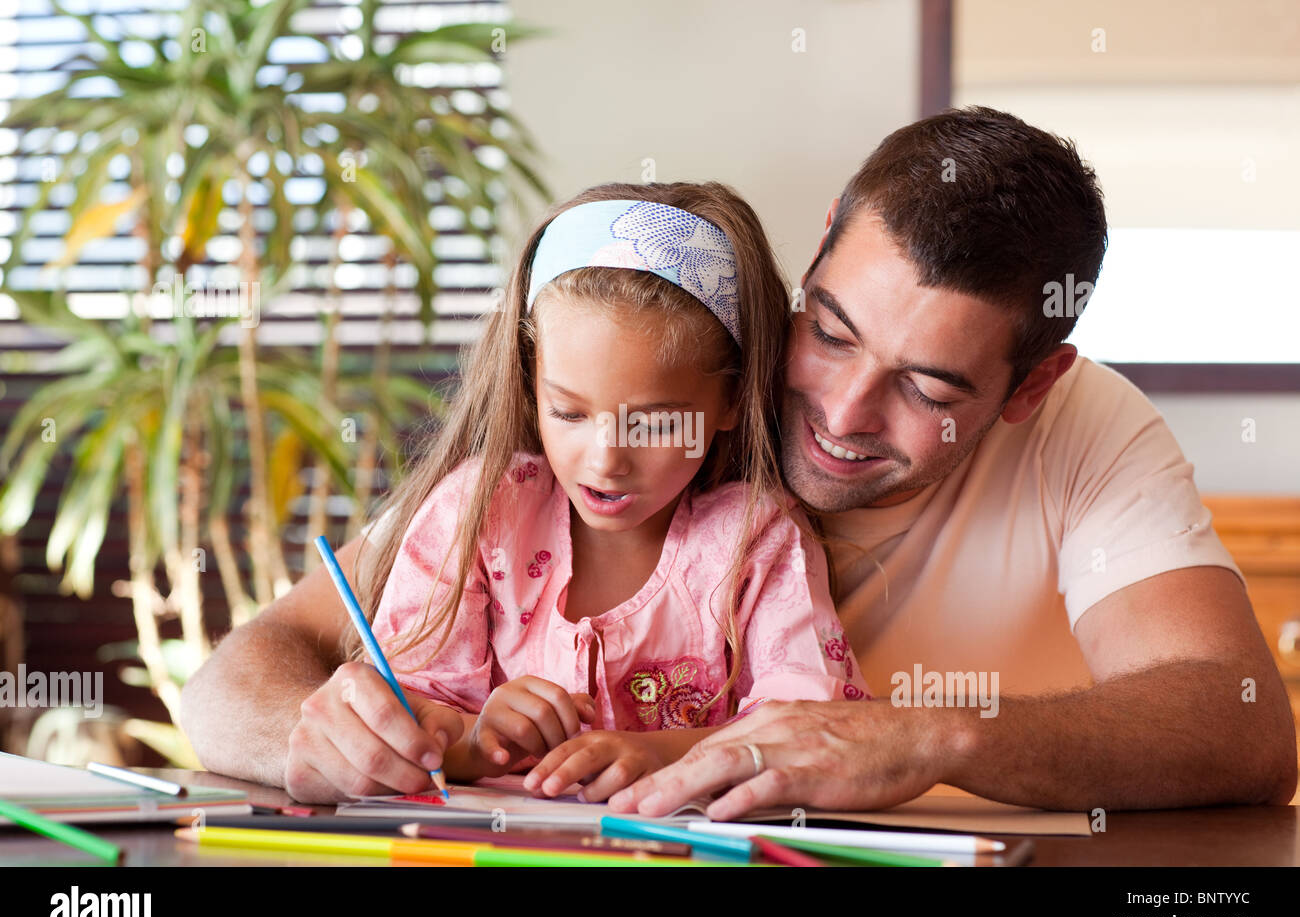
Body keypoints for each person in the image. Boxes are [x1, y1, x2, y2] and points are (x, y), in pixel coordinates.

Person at [181, 107, 1296, 813]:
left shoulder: (1087, 429)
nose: (840, 410)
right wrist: (323, 737)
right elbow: (244, 675)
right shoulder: (664, 363)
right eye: (833, 329)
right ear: (814, 254)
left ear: (1028, 385)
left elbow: (1240, 722)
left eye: (929, 386)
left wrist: (931, 735)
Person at [185, 181, 868, 804]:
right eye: (569, 413)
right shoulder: (482, 511)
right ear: (529, 384)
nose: (606, 460)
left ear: (730, 399)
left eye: (657, 422)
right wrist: (479, 740)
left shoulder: (756, 540)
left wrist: (654, 754)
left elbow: (802, 730)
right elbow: (408, 715)